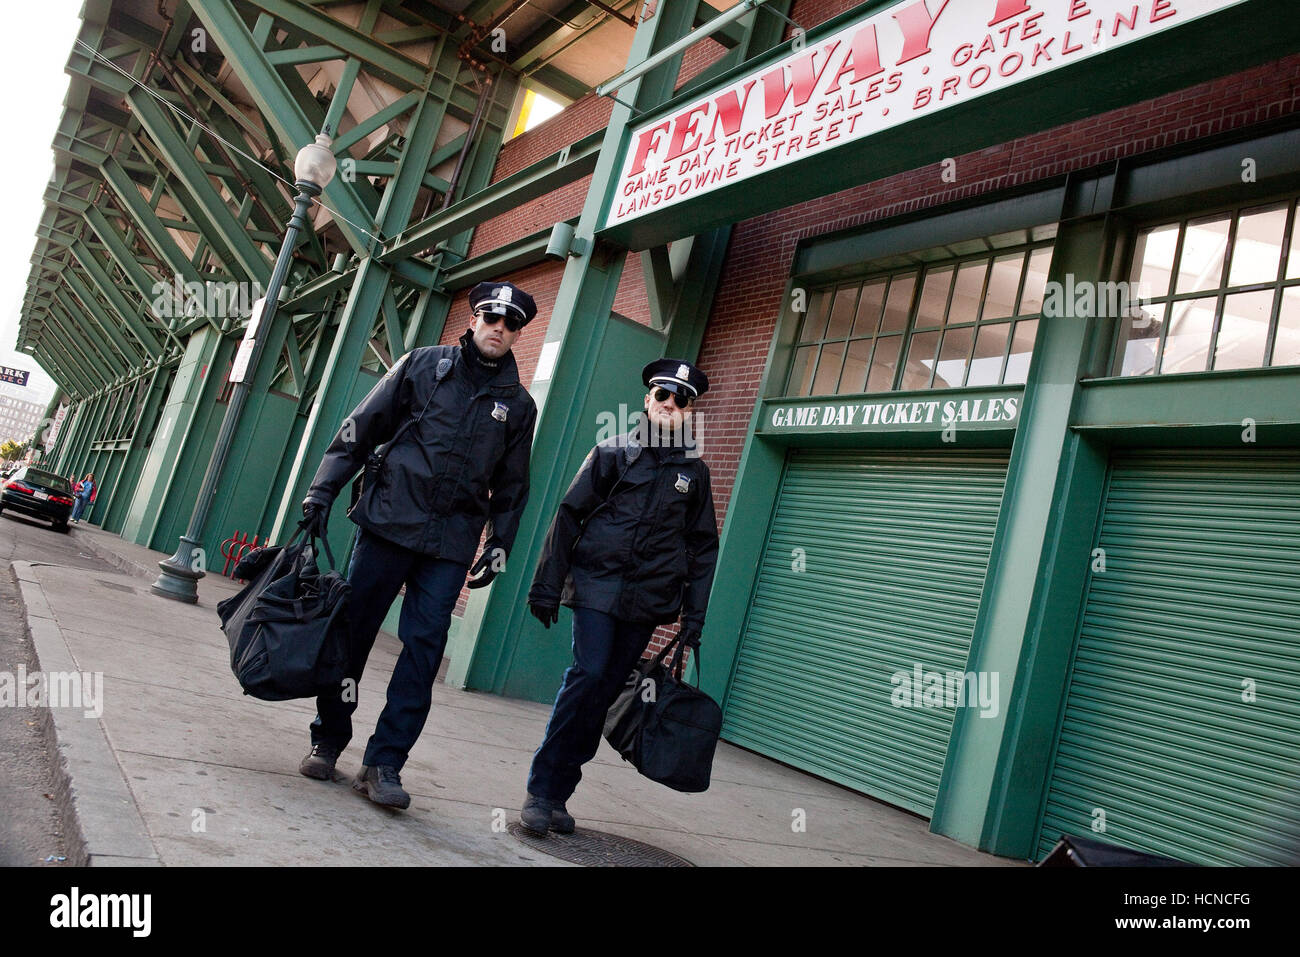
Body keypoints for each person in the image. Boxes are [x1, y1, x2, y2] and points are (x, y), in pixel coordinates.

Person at [298, 281, 539, 810]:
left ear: (519, 334)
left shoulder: (518, 406)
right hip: (388, 522)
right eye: (491, 318)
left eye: (511, 324)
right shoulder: (422, 366)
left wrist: (500, 542)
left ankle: (384, 763)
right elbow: (359, 429)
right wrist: (322, 491)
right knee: (352, 635)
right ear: (474, 321)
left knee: (424, 651)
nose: (499, 328)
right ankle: (329, 738)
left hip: (449, 544)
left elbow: (514, 485)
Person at [520, 358, 719, 835]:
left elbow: (702, 546)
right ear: (648, 400)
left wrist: (695, 616)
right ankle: (541, 790)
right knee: (587, 676)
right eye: (663, 395)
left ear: (690, 411)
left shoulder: (695, 473)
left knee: (606, 689)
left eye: (682, 400)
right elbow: (569, 515)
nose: (671, 404)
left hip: (647, 599)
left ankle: (560, 796)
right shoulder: (611, 453)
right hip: (596, 585)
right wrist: (547, 584)